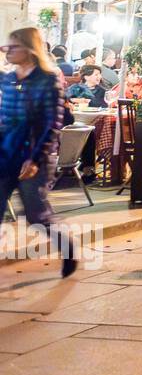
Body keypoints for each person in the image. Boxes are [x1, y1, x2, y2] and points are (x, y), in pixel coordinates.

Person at [1, 28, 76, 277]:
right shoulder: (9, 79)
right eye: (5, 47)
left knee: (36, 215)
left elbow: (51, 123)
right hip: (5, 153)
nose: (7, 51)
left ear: (29, 49)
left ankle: (67, 249)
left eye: (12, 47)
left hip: (33, 156)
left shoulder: (48, 79)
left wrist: (35, 158)